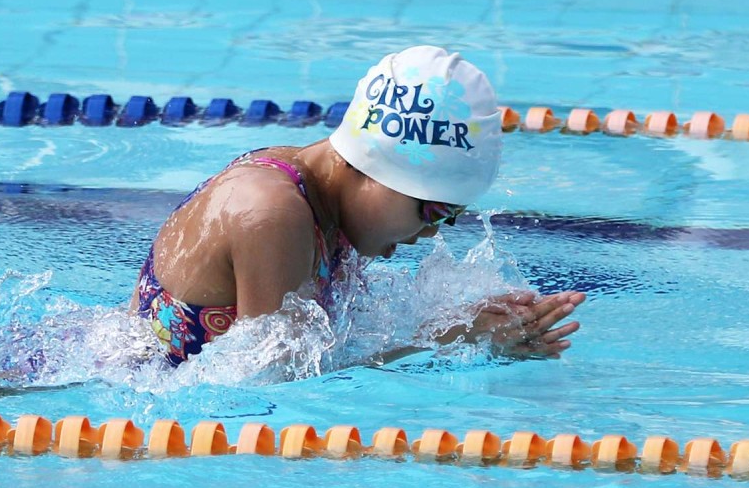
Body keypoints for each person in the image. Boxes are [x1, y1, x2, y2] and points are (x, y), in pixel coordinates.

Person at [132, 45, 586, 367]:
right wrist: (452, 341)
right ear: (376, 167)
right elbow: (272, 382)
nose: (433, 234)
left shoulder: (327, 205)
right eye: (431, 212)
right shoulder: (272, 212)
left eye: (451, 218)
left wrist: (469, 321)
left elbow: (323, 349)